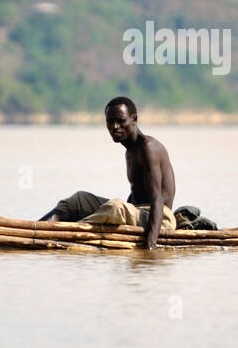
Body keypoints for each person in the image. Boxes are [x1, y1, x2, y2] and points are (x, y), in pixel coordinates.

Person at [40, 96, 176, 249]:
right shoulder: (130, 151)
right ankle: (35, 229)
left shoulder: (148, 148)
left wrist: (150, 245)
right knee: (77, 200)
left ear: (134, 119)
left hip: (160, 218)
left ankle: (67, 233)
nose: (115, 126)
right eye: (110, 122)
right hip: (137, 212)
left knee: (115, 207)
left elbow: (157, 198)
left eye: (120, 120)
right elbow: (136, 194)